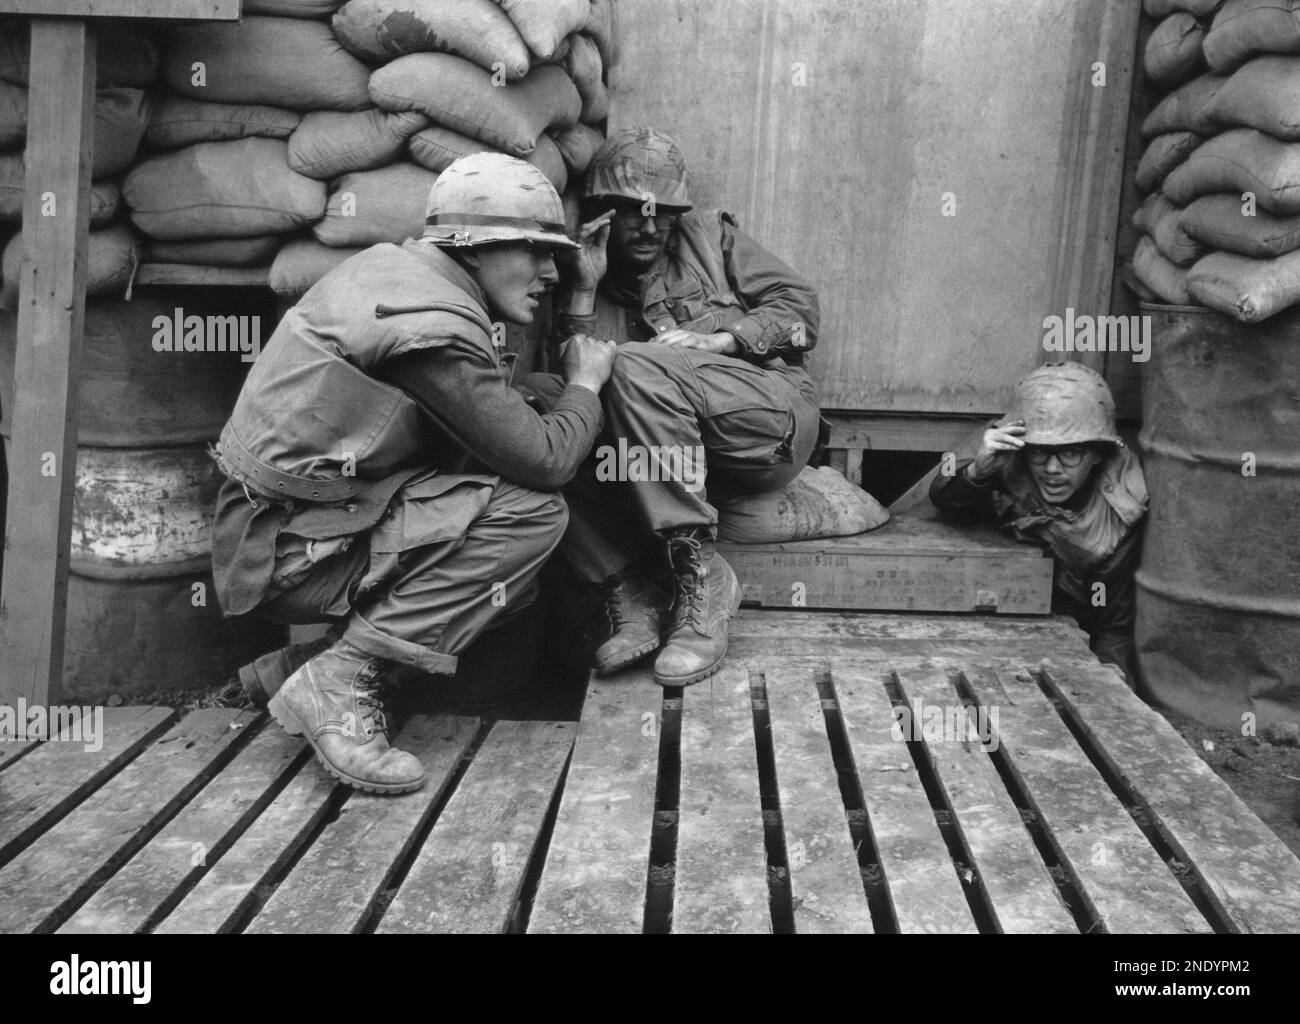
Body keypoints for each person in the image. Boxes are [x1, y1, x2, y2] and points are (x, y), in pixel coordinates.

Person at [211, 153, 616, 794]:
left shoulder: (397, 272)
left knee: (512, 559)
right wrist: (588, 386)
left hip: (299, 520)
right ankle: (339, 682)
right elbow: (545, 462)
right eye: (534, 250)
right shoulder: (428, 327)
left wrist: (573, 337)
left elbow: (501, 426)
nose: (549, 271)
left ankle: (305, 665)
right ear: (472, 249)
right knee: (531, 517)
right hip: (288, 552)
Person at [522, 125, 823, 688]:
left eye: (664, 213)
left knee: (630, 362)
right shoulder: (582, 275)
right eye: (634, 213)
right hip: (672, 466)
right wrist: (584, 293)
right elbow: (578, 386)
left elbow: (801, 311)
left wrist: (725, 339)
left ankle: (701, 572)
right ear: (603, 212)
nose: (653, 227)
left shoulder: (710, 237)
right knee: (538, 406)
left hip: (767, 425)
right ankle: (629, 586)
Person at [929, 361, 1147, 684]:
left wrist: (1112, 686)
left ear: (1097, 454)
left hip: (1068, 629)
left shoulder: (1116, 515)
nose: (1052, 469)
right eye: (1040, 453)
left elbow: (1112, 622)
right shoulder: (1009, 464)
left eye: (1070, 454)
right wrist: (977, 471)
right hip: (999, 618)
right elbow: (944, 498)